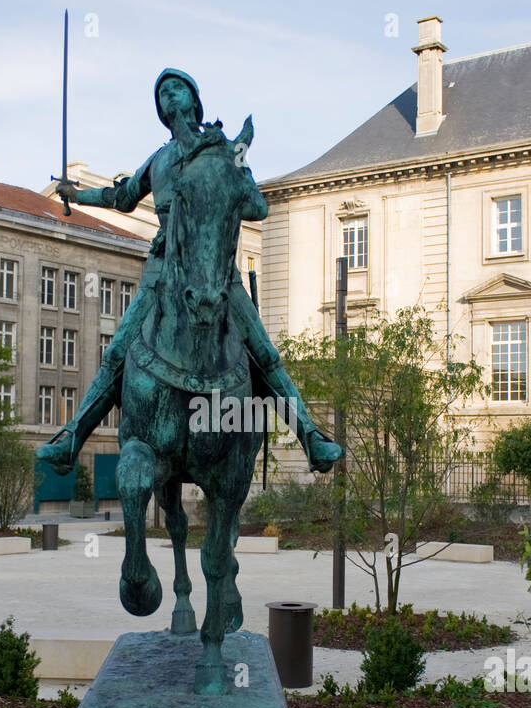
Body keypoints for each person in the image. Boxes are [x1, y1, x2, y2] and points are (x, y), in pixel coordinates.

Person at [36, 68, 342, 474]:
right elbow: (123, 198)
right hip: (164, 272)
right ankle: (72, 439)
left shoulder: (223, 152)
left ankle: (311, 437)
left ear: (195, 101)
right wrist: (79, 194)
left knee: (264, 353)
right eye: (162, 93)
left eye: (177, 89)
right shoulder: (159, 159)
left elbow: (257, 208)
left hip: (216, 271)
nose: (169, 97)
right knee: (118, 350)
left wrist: (239, 165)